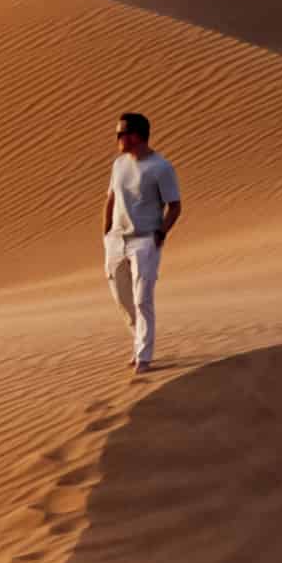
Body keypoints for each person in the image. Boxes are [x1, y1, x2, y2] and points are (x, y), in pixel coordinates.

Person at [100, 110, 182, 373]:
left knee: (142, 299)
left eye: (121, 133)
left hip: (145, 241)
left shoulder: (161, 167)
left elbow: (175, 206)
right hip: (116, 241)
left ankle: (144, 356)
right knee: (122, 299)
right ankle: (138, 342)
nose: (118, 138)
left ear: (135, 136)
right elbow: (110, 199)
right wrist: (106, 233)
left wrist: (161, 233)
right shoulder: (118, 164)